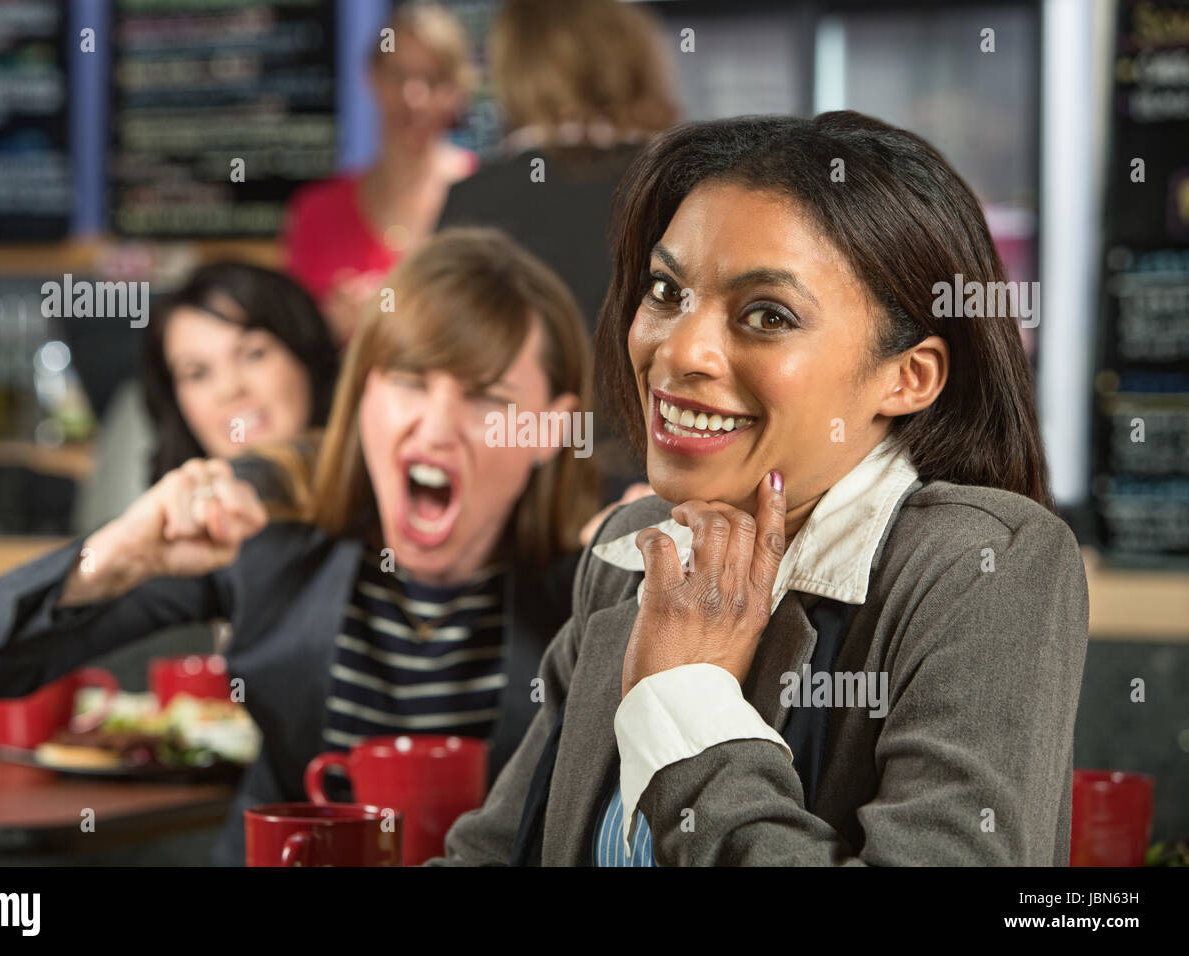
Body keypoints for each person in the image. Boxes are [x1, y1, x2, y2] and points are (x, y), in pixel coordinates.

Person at [429, 113, 1090, 866]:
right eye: (666, 290)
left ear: (908, 377)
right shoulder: (632, 554)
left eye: (767, 315)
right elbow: (491, 853)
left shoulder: (983, 566)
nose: (678, 350)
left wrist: (687, 700)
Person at [0, 228, 600, 866]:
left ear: (549, 429)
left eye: (486, 399)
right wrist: (110, 558)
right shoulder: (262, 526)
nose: (436, 426)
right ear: (364, 395)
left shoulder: (597, 582)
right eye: (410, 383)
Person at [438, 0, 680, 502]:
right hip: (674, 479)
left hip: (520, 488)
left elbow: (452, 361)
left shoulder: (475, 201)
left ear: (518, 69)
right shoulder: (695, 186)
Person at [73, 261, 338, 532]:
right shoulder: (167, 544)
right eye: (197, 373)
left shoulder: (373, 518)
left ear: (307, 358)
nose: (229, 388)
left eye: (253, 354)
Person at [284, 2, 479, 346]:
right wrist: (325, 325)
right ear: (371, 78)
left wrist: (391, 317)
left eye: (432, 80)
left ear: (458, 91)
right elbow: (290, 341)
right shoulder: (317, 212)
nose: (413, 97)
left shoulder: (491, 196)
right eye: (398, 75)